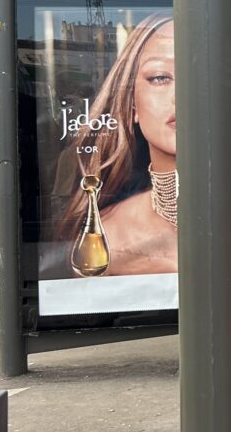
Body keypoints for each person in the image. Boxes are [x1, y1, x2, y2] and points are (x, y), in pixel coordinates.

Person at [57, 16, 180, 276]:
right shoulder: (108, 235)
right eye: (160, 78)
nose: (181, 96)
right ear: (132, 104)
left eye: (206, 77)